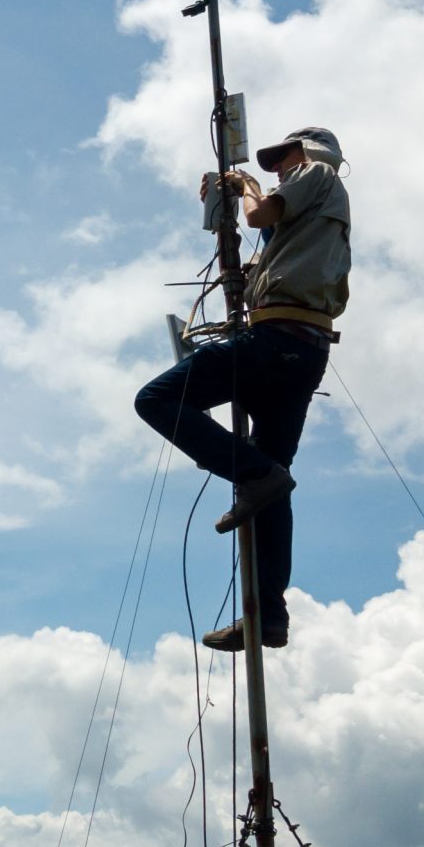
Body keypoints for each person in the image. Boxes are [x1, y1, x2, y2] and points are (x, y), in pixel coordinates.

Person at [134, 125, 350, 652]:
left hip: (277, 339)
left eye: (285, 157)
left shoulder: (315, 173)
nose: (279, 168)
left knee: (157, 400)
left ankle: (253, 473)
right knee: (275, 482)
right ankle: (268, 616)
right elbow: (267, 244)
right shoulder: (317, 223)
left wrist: (247, 187)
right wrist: (229, 243)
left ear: (311, 153)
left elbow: (261, 214)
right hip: (305, 348)